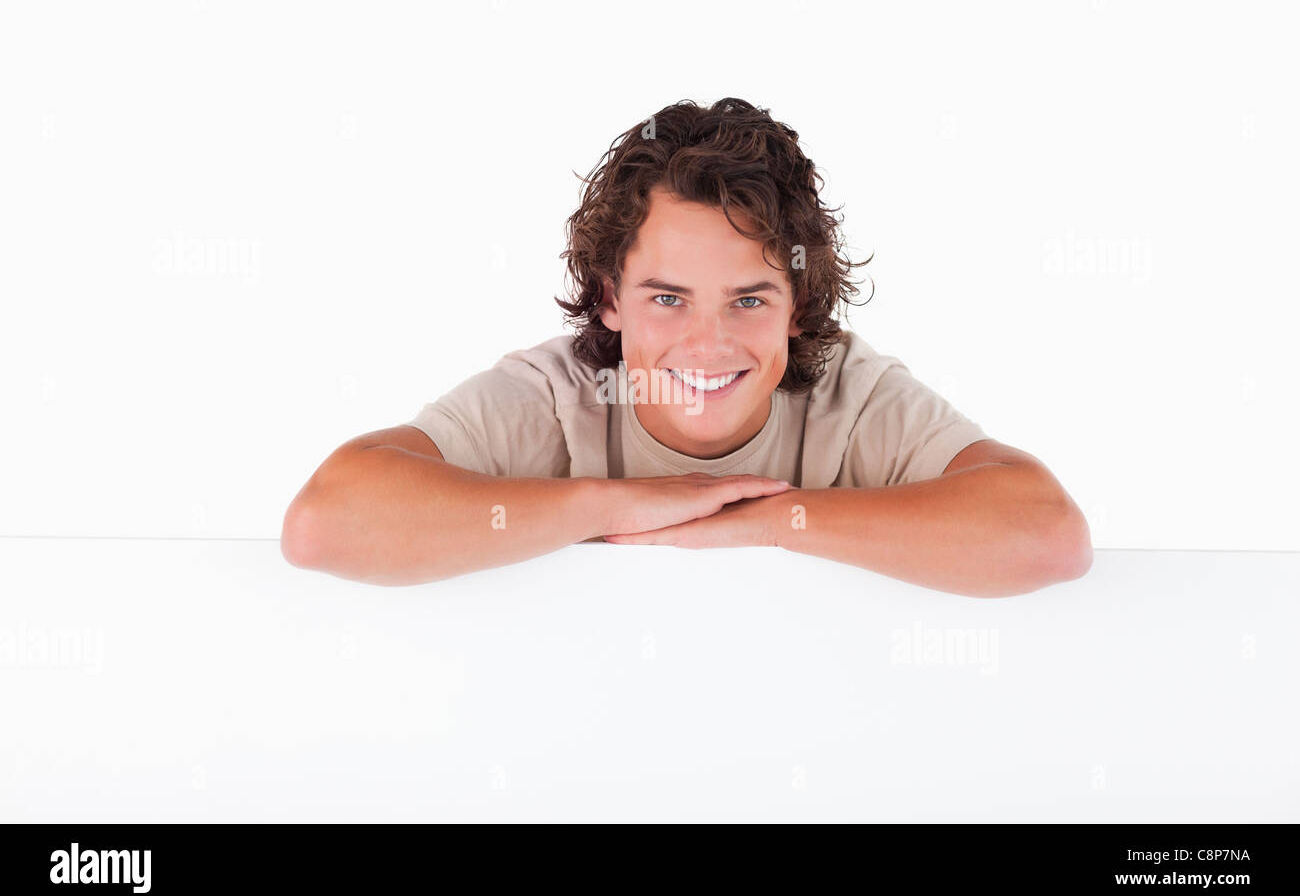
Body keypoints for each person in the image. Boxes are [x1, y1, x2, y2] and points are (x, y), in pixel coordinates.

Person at [281, 98, 1091, 595]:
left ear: (800, 308)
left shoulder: (854, 396)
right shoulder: (556, 395)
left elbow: (1047, 535)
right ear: (610, 299)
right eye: (667, 299)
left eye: (749, 298)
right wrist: (615, 506)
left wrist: (775, 521)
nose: (708, 345)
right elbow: (326, 523)